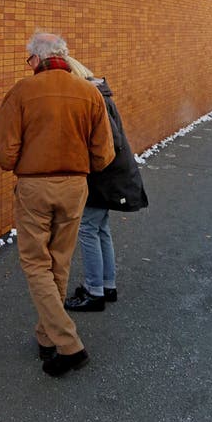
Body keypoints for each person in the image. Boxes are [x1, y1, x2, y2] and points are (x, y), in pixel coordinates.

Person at [0, 31, 115, 377]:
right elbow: (104, 153)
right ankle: (46, 337)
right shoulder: (88, 92)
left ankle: (68, 343)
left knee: (35, 264)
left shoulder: (22, 91)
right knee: (59, 261)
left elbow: (4, 148)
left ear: (37, 58)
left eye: (28, 58)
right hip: (75, 186)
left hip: (35, 186)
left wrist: (17, 162)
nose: (28, 64)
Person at [63, 56, 148, 311]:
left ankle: (94, 291)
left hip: (103, 177)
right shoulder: (99, 93)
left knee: (88, 228)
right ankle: (106, 286)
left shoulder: (92, 98)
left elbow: (110, 142)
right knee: (100, 228)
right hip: (112, 175)